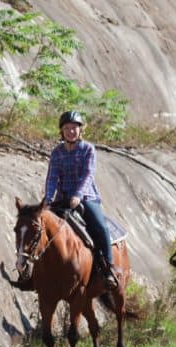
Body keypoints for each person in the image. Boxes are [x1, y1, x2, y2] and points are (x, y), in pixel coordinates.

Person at [43, 110, 119, 290]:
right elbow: (52, 177)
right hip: (62, 199)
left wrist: (78, 195)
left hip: (86, 198)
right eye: (67, 128)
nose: (71, 131)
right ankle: (36, 271)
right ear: (61, 131)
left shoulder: (88, 149)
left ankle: (109, 268)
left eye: (74, 128)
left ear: (80, 130)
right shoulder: (57, 153)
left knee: (100, 227)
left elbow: (88, 175)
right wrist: (48, 199)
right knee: (41, 226)